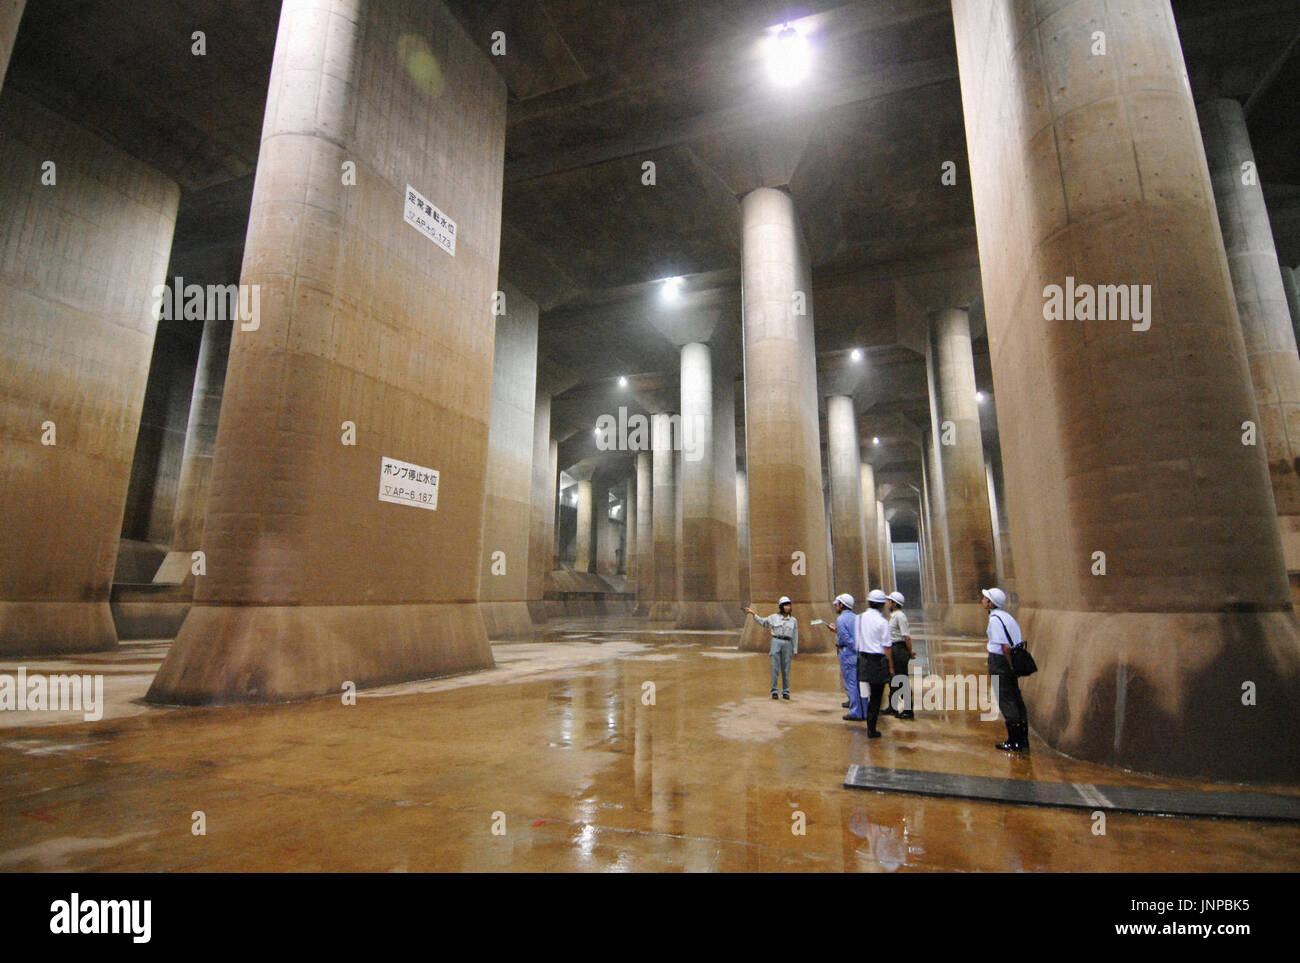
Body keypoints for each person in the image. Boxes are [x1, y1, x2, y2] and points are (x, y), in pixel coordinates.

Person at [982, 587, 1029, 751]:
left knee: (1005, 699)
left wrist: (1009, 665)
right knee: (1016, 698)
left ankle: (1014, 741)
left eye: (985, 598)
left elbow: (1005, 647)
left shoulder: (995, 620)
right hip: (1009, 660)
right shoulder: (1007, 617)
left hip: (1000, 661)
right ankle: (1023, 739)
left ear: (990, 603)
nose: (982, 600)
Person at [745, 596, 799, 700]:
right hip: (776, 642)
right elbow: (763, 622)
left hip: (787, 643)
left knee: (786, 669)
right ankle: (774, 691)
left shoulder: (793, 620)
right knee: (774, 668)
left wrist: (795, 649)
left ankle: (785, 691)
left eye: (789, 605)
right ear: (781, 607)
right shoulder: (773, 617)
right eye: (785, 605)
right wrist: (753, 613)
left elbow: (795, 635)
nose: (787, 607)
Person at [856, 589, 893, 737]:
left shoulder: (859, 618)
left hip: (863, 659)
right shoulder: (882, 622)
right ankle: (872, 728)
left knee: (866, 693)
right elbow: (887, 646)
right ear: (882, 605)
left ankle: (868, 724)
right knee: (877, 696)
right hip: (877, 661)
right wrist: (890, 667)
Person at [823, 594, 863, 720]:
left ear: (842, 605)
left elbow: (847, 638)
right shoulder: (856, 618)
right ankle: (861, 708)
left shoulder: (840, 620)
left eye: (837, 604)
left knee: (850, 682)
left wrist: (853, 647)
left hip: (847, 653)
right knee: (858, 682)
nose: (835, 606)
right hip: (856, 653)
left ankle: (855, 712)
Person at [885, 591, 915, 719]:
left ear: (894, 604)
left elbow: (906, 636)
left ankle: (908, 710)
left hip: (899, 649)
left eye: (889, 601)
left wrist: (909, 652)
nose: (887, 603)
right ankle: (893, 707)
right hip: (894, 649)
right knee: (893, 680)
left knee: (901, 680)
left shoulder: (900, 616)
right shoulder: (893, 616)